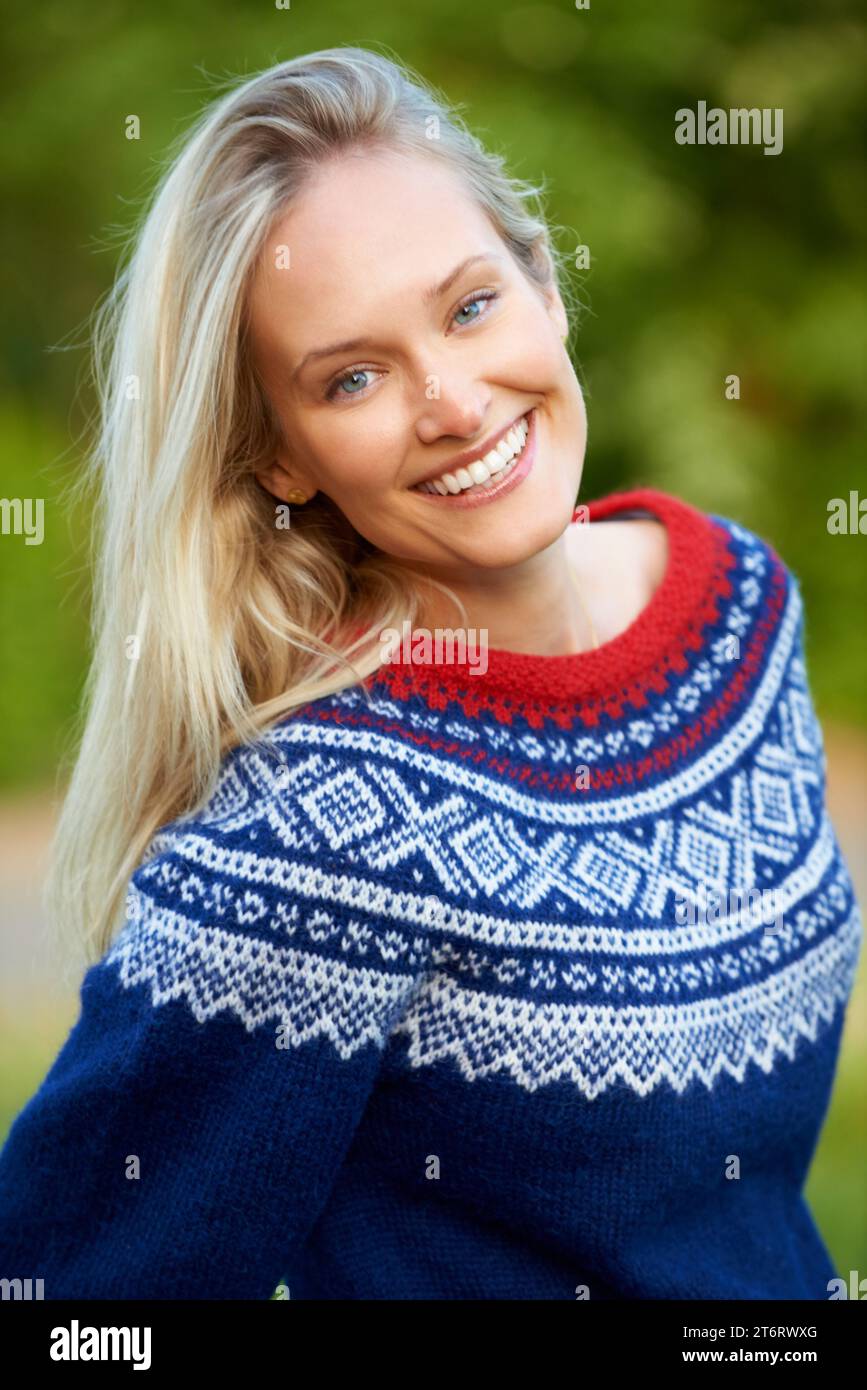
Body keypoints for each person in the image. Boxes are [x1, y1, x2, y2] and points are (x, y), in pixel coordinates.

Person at [0, 46, 860, 1301]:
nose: (451, 402)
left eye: (468, 307)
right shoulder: (320, 827)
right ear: (283, 458)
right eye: (352, 377)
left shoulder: (738, 603)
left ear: (546, 283)